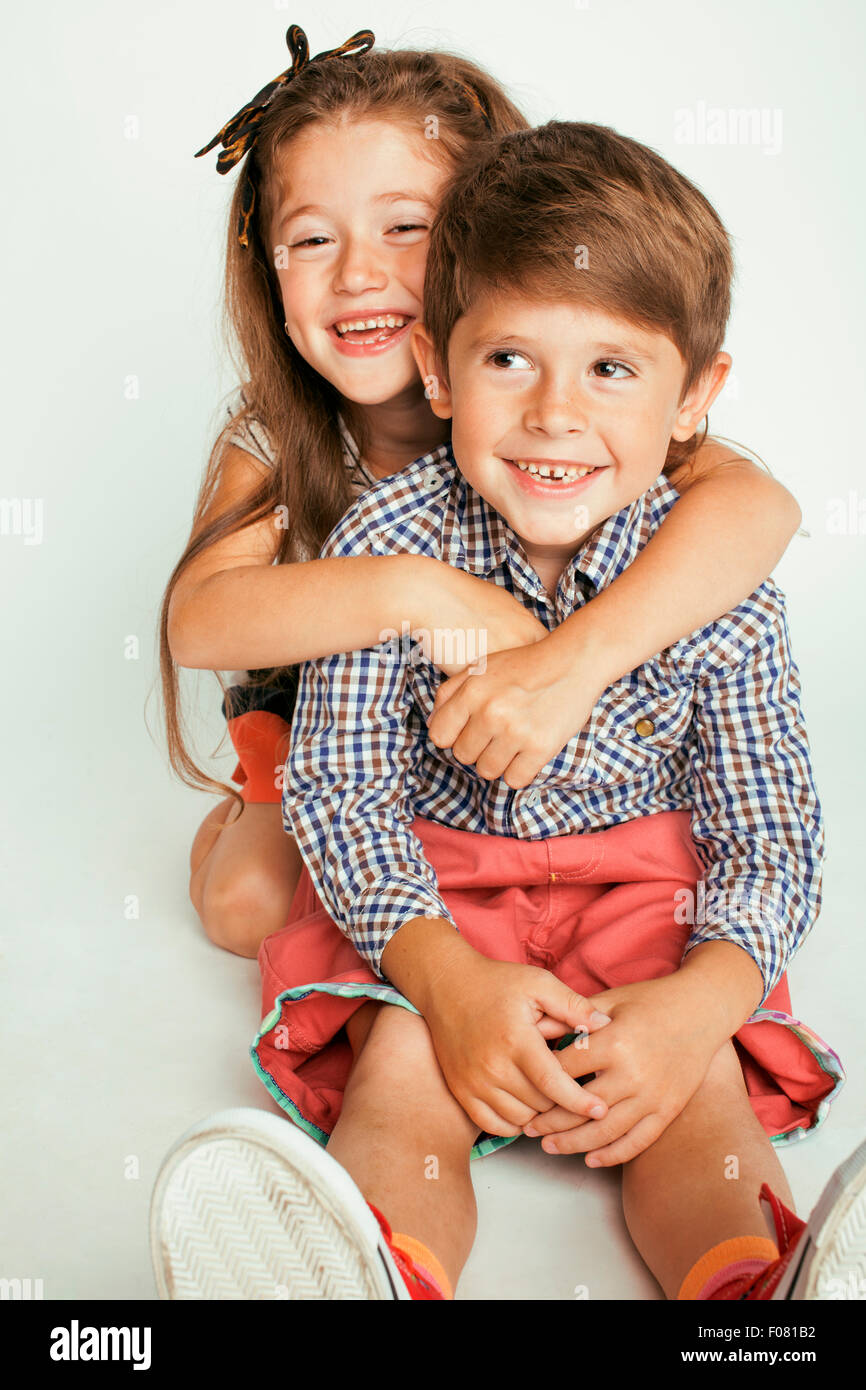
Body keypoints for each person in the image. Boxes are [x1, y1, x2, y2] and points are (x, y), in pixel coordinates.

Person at [152, 118, 854, 1302]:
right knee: (403, 1069)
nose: (552, 415)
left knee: (691, 1097)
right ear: (438, 369)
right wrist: (440, 976)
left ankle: (761, 1295)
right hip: (441, 886)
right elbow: (346, 793)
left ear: (697, 394)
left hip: (644, 891)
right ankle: (369, 1274)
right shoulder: (388, 539)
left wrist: (700, 1003)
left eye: (611, 370)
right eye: (507, 362)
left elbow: (768, 823)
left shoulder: (710, 572)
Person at [160, 24, 802, 965]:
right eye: (311, 239)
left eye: (406, 227)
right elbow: (200, 621)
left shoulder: (572, 422)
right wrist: (425, 593)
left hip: (533, 740)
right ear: (269, 268)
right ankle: (257, 792)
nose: (360, 274)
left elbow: (761, 510)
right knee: (248, 909)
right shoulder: (277, 436)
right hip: (335, 730)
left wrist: (571, 664)